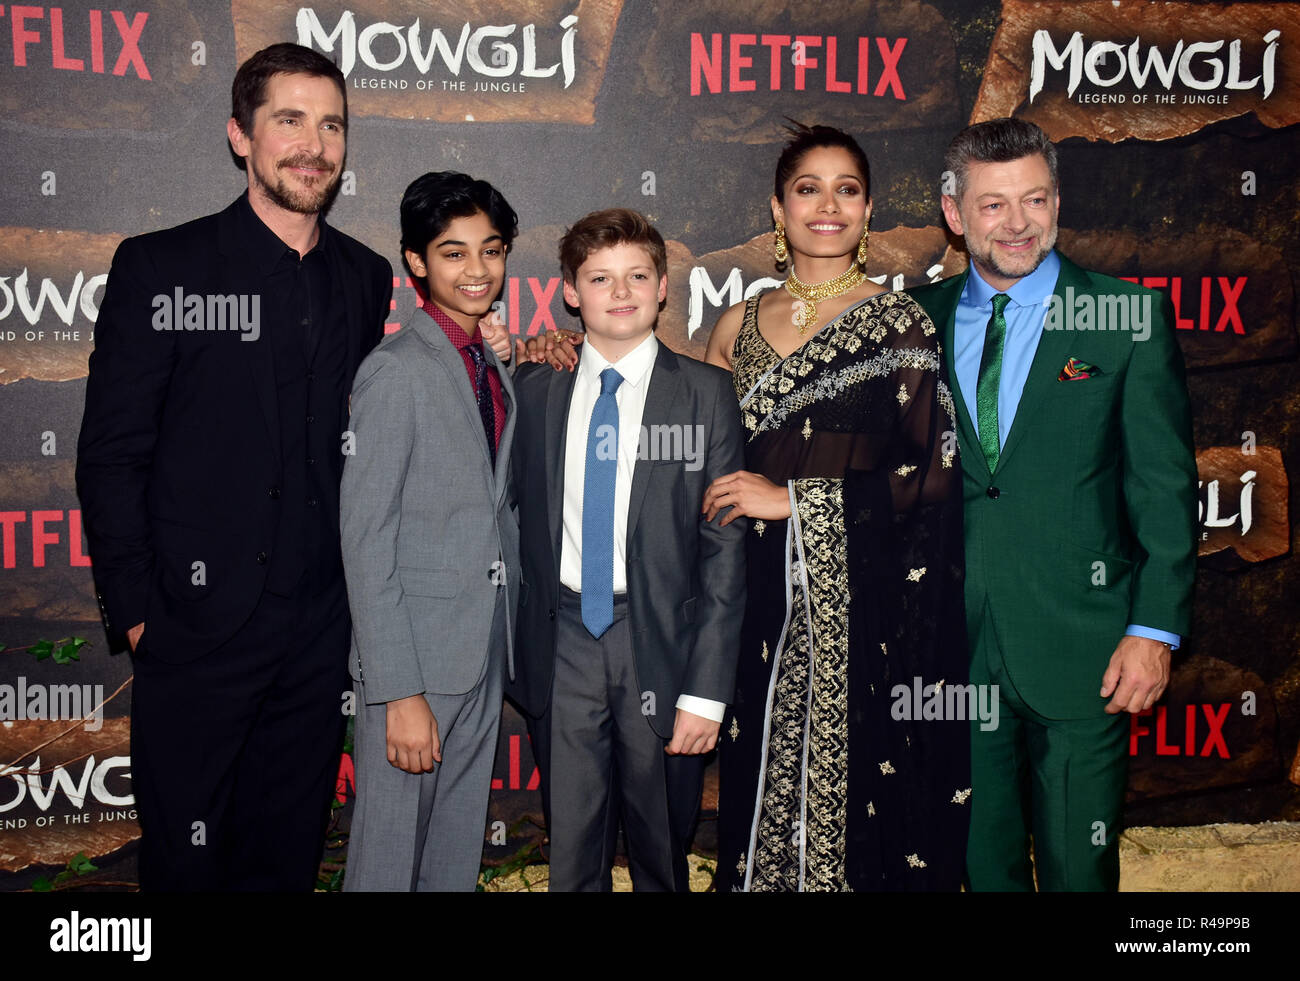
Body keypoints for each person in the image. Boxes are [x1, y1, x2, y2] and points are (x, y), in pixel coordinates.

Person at [75, 43, 393, 890]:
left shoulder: (366, 278)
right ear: (239, 136)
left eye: (331, 124)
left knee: (284, 859)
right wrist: (140, 615)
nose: (313, 145)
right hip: (195, 631)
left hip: (319, 632)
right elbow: (112, 453)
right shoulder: (162, 266)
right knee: (185, 867)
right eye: (289, 120)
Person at [908, 117, 1197, 891]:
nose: (1017, 223)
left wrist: (1153, 627)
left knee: (1078, 869)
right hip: (950, 653)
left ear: (1057, 202)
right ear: (954, 213)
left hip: (1088, 648)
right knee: (979, 867)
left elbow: (1164, 488)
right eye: (994, 205)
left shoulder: (1125, 317)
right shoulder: (911, 322)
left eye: (1034, 200)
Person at [697, 123, 970, 891]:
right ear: (777, 209)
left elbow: (931, 474)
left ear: (868, 208)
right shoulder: (735, 328)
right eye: (807, 188)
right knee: (755, 788)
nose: (828, 205)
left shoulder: (898, 324)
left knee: (863, 809)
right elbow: (694, 451)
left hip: (863, 607)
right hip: (752, 607)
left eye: (846, 189)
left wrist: (796, 500)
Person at [507, 208, 746, 891]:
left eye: (637, 275)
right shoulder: (536, 384)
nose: (621, 291)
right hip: (563, 641)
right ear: (571, 292)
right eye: (600, 278)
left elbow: (724, 552)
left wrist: (706, 691)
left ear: (663, 286)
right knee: (572, 853)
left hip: (661, 646)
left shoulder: (705, 394)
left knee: (661, 848)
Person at [340, 172, 519, 892]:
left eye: (491, 249)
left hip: (480, 655)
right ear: (416, 262)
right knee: (386, 867)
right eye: (453, 253)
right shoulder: (394, 372)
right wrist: (397, 691)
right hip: (411, 667)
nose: (477, 270)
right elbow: (365, 539)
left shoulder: (484, 360)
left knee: (449, 865)